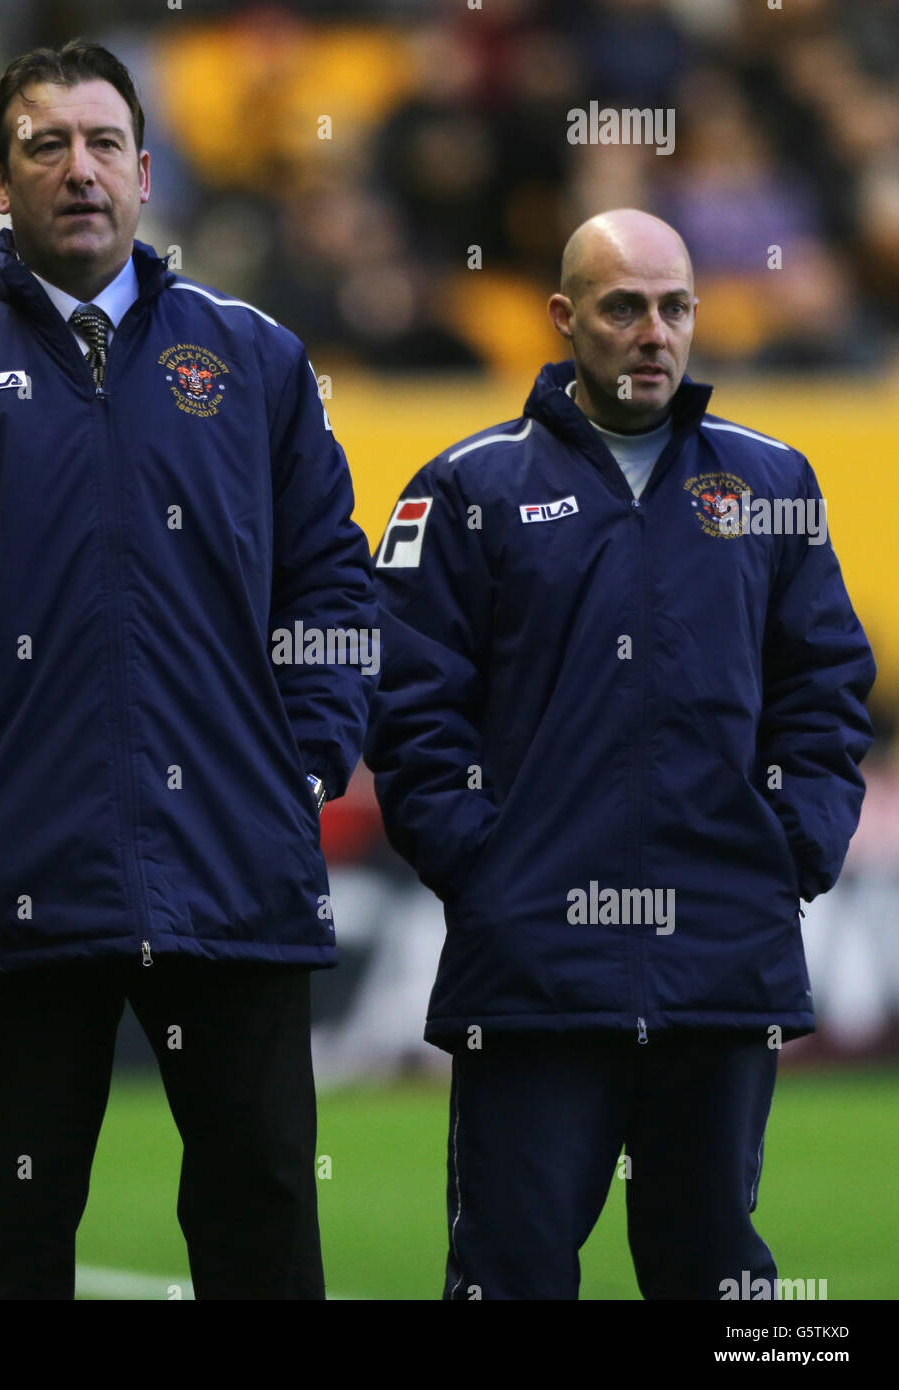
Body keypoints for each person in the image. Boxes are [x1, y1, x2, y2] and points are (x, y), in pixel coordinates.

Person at [0, 39, 375, 1301]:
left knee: (264, 1217)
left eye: (103, 145)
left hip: (231, 863)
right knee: (17, 1234)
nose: (78, 171)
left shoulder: (255, 361)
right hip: (11, 877)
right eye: (45, 147)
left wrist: (306, 755)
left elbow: (331, 577)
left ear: (146, 172)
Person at [364, 208, 875, 1300]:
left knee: (714, 1277)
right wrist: (485, 867)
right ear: (561, 319)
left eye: (674, 307)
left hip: (720, 956)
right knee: (510, 1274)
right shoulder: (467, 488)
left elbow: (825, 688)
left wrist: (791, 843)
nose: (653, 332)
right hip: (535, 963)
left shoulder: (771, 484)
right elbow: (409, 704)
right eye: (623, 306)